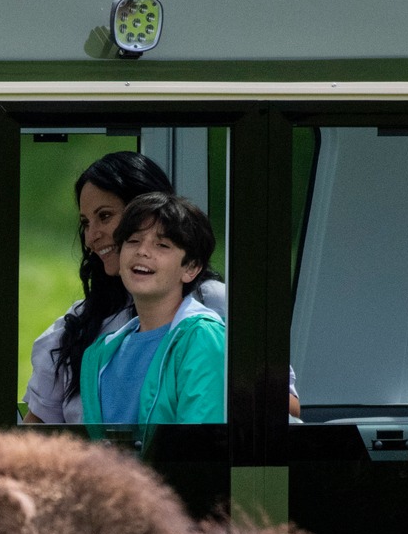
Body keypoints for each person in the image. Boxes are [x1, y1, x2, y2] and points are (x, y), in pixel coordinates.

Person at [22, 151, 261, 424]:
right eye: (85, 223)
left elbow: (271, 408)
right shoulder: (88, 334)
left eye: (105, 216)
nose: (91, 237)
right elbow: (38, 430)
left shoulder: (208, 316)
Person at [77, 193, 226, 427]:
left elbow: (198, 452)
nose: (142, 251)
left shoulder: (202, 337)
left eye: (162, 245)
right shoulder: (100, 354)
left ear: (191, 268)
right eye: (133, 241)